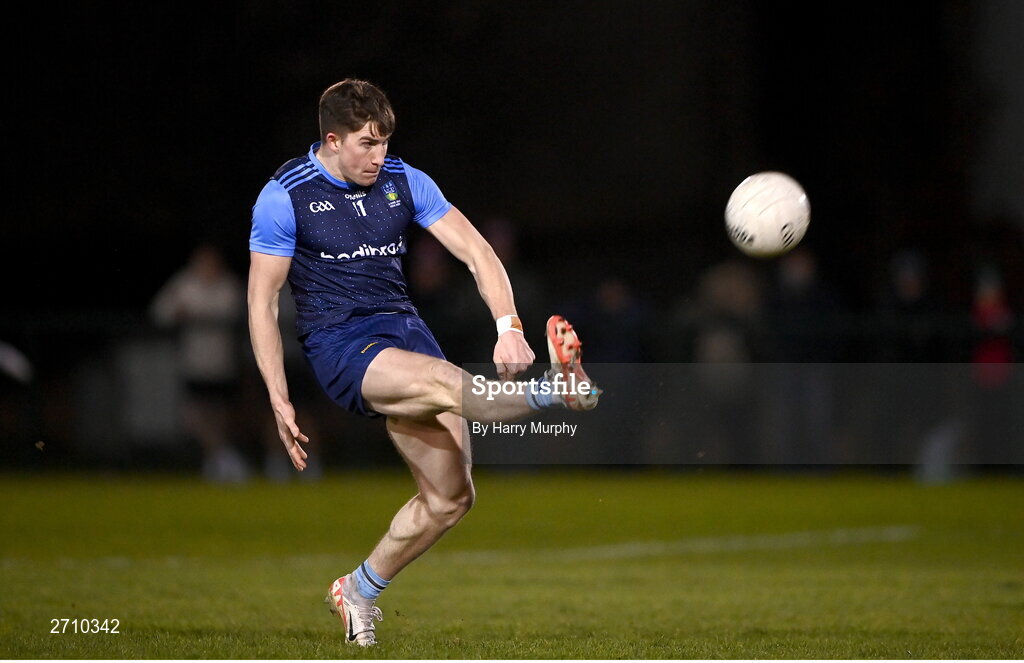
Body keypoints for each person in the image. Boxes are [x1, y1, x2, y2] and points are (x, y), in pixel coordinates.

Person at [247, 79, 600, 646]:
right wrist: (277, 394)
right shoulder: (284, 196)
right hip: (341, 346)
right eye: (366, 144)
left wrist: (508, 326)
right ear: (332, 140)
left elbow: (477, 251)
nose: (378, 156)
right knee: (446, 381)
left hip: (403, 329)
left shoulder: (404, 181)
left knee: (450, 498)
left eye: (384, 142)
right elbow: (262, 301)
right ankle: (558, 389)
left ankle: (358, 589)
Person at [150, 243, 248, 482]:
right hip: (193, 363)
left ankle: (216, 461)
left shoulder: (228, 285)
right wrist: (177, 313)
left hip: (223, 363)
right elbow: (159, 314)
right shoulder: (184, 284)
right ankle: (223, 456)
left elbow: (236, 312)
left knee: (221, 415)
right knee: (194, 416)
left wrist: (197, 314)